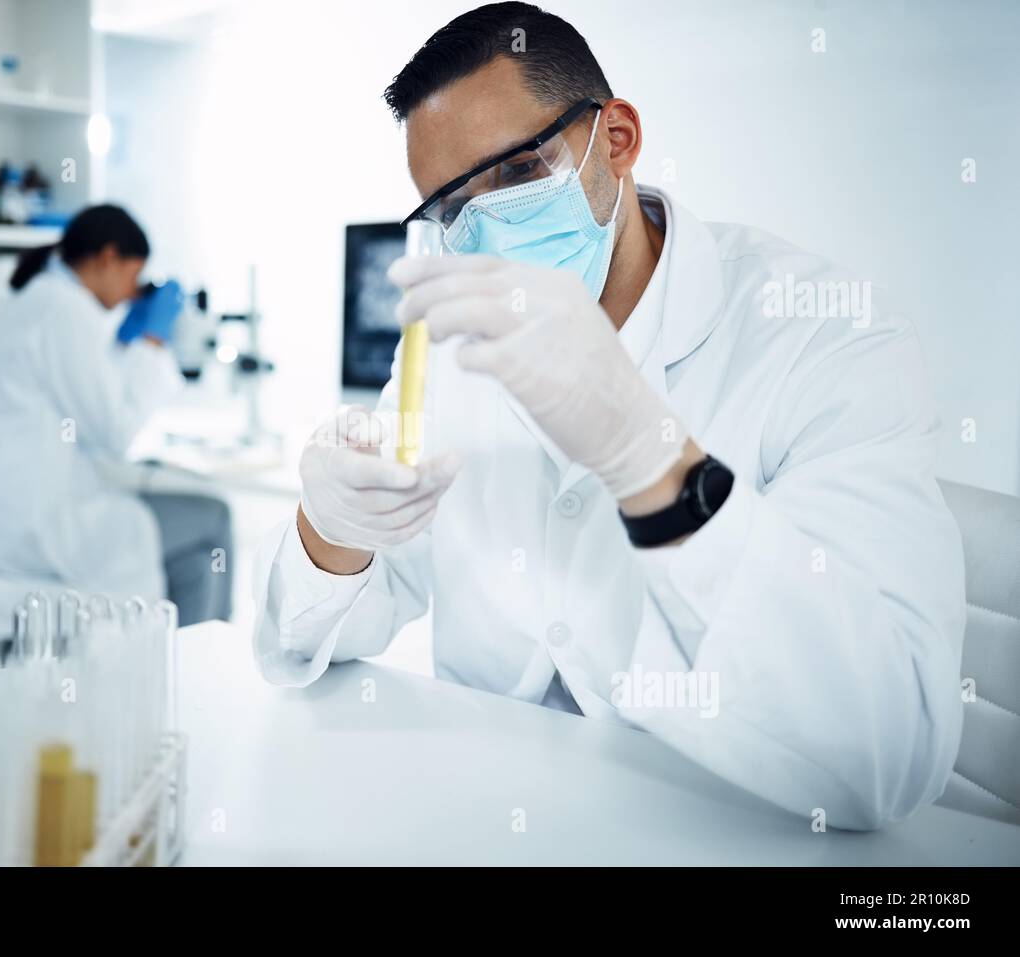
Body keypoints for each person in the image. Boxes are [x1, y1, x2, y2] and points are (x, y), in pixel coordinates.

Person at [251, 3, 965, 830]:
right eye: (450, 208)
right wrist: (332, 530)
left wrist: (648, 457)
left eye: (518, 173)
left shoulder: (825, 337)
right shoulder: (449, 348)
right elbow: (304, 646)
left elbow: (891, 751)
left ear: (616, 139)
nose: (482, 227)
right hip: (484, 825)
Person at [0, 204, 233, 626]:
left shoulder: (39, 300)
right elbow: (115, 432)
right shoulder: (63, 309)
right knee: (215, 518)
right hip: (28, 529)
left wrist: (123, 343)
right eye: (133, 276)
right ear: (108, 258)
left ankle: (177, 666)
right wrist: (153, 339)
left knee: (190, 553)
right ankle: (196, 667)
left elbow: (86, 398)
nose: (133, 292)